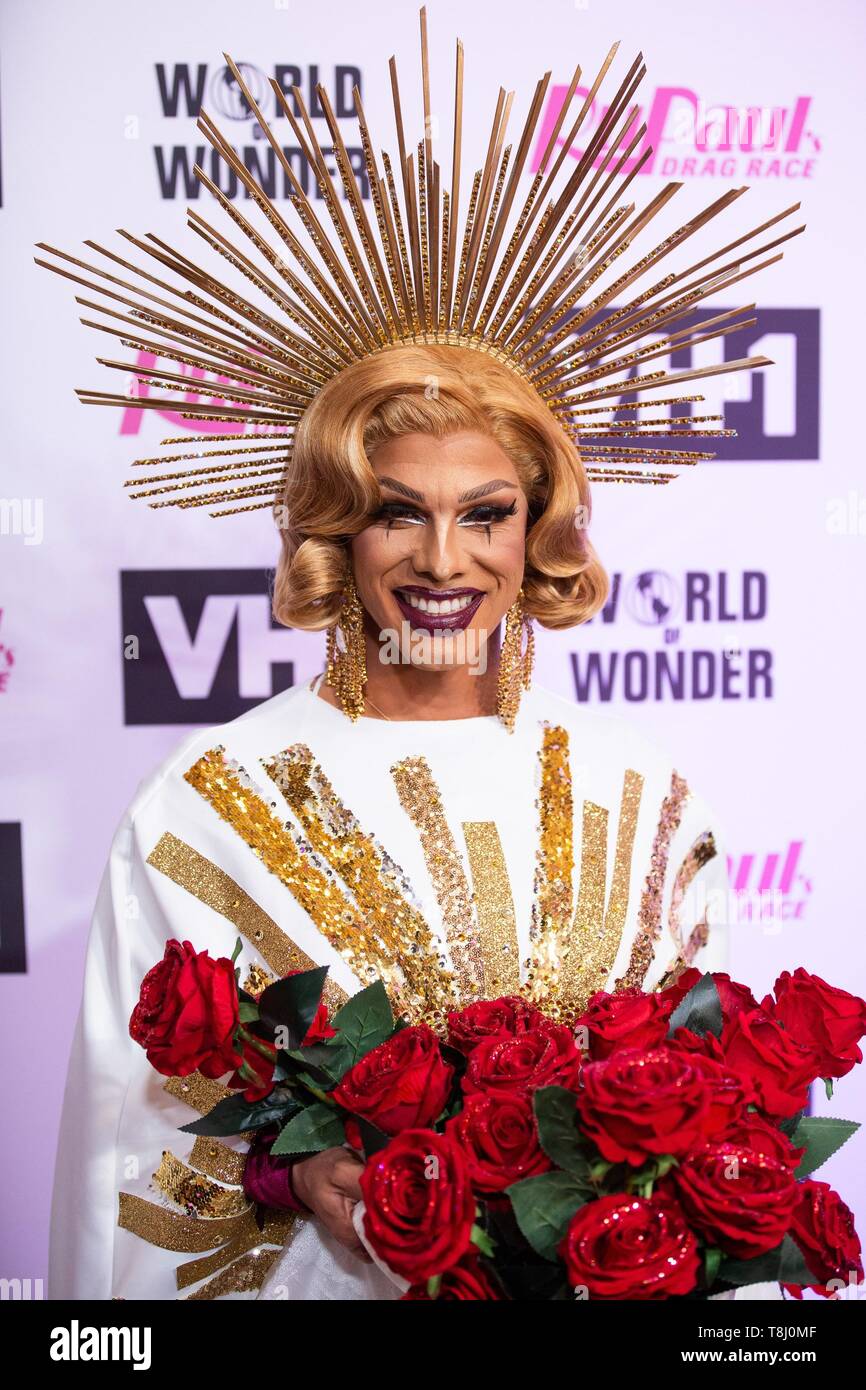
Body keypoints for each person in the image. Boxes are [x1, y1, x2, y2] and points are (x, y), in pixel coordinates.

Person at [42, 11, 800, 1300]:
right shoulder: (209, 804)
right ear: (343, 524)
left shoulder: (645, 796)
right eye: (401, 509)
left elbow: (702, 1130)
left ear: (536, 531)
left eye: (486, 512)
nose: (444, 561)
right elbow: (133, 1146)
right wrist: (291, 1182)